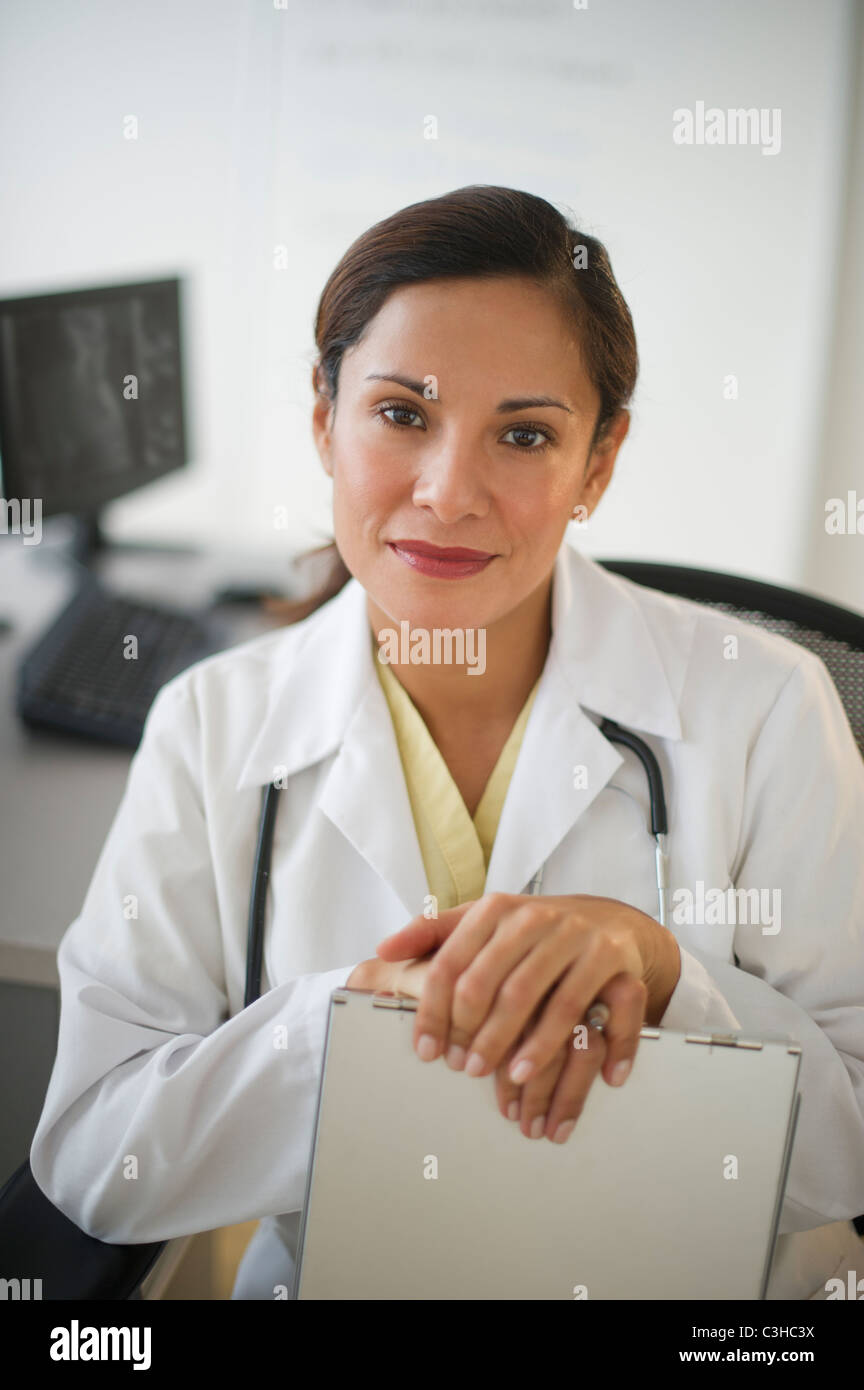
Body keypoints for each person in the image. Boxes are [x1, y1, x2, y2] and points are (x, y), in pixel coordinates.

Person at [29, 185, 864, 1301]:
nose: (448, 492)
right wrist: (348, 1033)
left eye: (524, 434)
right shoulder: (214, 725)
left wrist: (673, 985)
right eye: (401, 414)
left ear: (599, 464)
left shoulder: (764, 708)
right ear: (324, 418)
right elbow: (97, 1163)